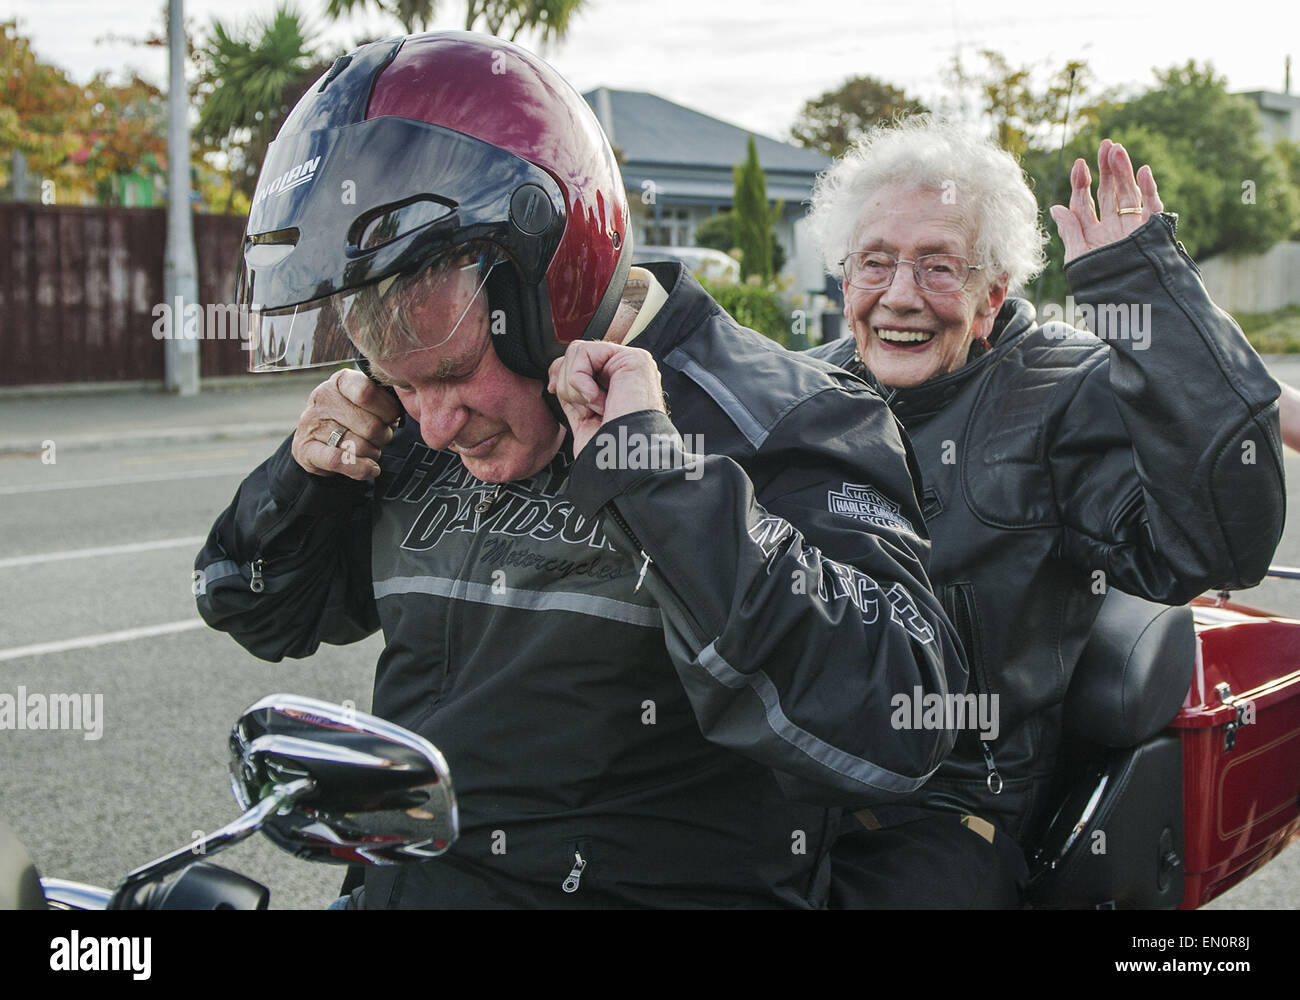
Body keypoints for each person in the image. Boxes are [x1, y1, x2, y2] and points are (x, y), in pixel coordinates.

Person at [194, 32, 966, 908]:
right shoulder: (413, 420)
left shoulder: (795, 414)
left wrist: (660, 485)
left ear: (553, 289)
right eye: (400, 385)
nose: (436, 424)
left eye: (448, 375)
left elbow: (900, 717)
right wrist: (307, 486)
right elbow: (248, 606)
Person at [806, 115, 1286, 907]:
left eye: (937, 268)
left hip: (954, 797)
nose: (899, 296)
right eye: (876, 263)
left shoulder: (1060, 391)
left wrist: (1147, 297)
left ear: (992, 294)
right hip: (789, 765)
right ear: (844, 277)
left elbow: (1214, 545)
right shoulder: (804, 390)